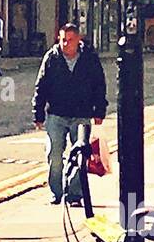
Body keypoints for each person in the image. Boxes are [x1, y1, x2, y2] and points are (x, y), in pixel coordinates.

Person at [32, 24, 107, 204]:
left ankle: (74, 194)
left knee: (80, 156)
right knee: (54, 154)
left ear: (78, 40)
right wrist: (38, 114)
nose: (65, 44)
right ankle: (57, 193)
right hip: (57, 114)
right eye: (62, 39)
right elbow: (40, 86)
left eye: (70, 40)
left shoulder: (89, 58)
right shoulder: (51, 58)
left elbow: (99, 85)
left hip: (81, 114)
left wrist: (99, 111)